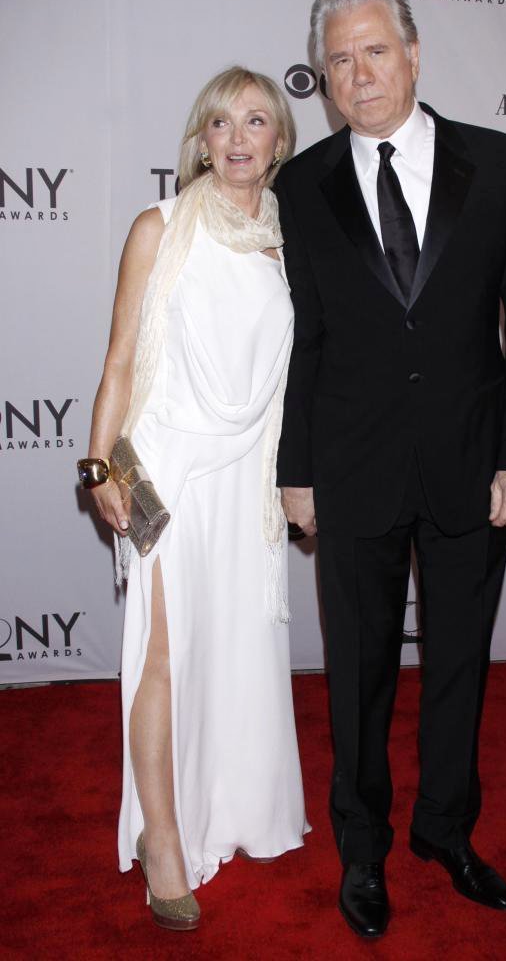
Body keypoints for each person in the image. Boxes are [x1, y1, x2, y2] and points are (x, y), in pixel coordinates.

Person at [276, 0, 506, 939]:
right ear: (326, 79)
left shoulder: (501, 163)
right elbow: (304, 341)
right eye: (341, 60)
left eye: (376, 51)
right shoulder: (300, 185)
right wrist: (295, 469)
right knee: (356, 673)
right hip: (349, 467)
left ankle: (445, 828)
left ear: (415, 52)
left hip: (473, 463)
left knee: (458, 666)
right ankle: (364, 850)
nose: (360, 75)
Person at [79, 67, 310, 931]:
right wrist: (99, 469)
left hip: (248, 474)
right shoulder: (160, 227)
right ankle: (163, 842)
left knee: (240, 649)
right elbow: (119, 363)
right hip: (167, 468)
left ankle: (235, 805)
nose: (240, 139)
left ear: (279, 141)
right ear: (201, 139)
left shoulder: (293, 239)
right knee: (163, 659)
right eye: (223, 124)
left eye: (258, 121)